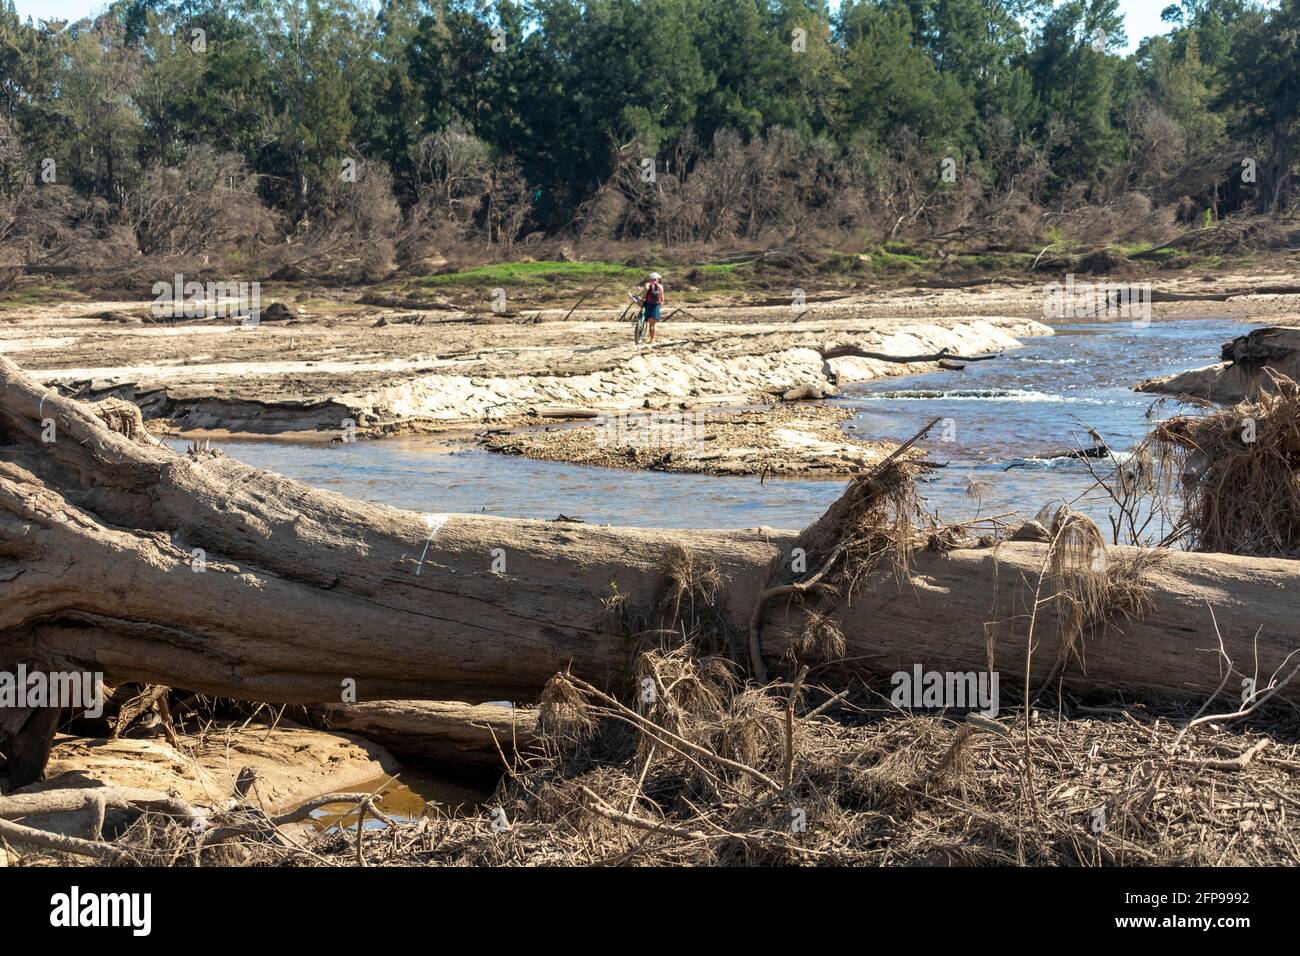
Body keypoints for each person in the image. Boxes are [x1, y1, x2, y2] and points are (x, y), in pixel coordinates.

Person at [639, 272, 665, 344]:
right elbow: (662, 298)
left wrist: (641, 300)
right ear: (657, 279)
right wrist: (660, 305)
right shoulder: (660, 286)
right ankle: (653, 339)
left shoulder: (648, 284)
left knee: (650, 323)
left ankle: (649, 338)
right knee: (654, 324)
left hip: (648, 305)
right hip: (656, 305)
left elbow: (644, 294)